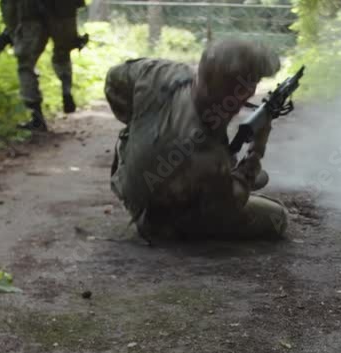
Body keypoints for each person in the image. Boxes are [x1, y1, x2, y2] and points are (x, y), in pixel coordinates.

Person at [103, 39, 289, 241]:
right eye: (249, 86)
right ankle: (167, 223)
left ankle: (187, 187)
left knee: (258, 178)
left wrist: (141, 128)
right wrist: (257, 149)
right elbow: (231, 203)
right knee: (277, 217)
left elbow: (114, 83)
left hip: (127, 176)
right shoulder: (207, 156)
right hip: (155, 214)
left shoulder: (163, 73)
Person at [0, 0, 87, 131]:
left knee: (26, 65)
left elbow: (8, 4)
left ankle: (36, 118)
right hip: (64, 12)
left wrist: (12, 31)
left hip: (31, 15)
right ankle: (66, 90)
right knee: (62, 54)